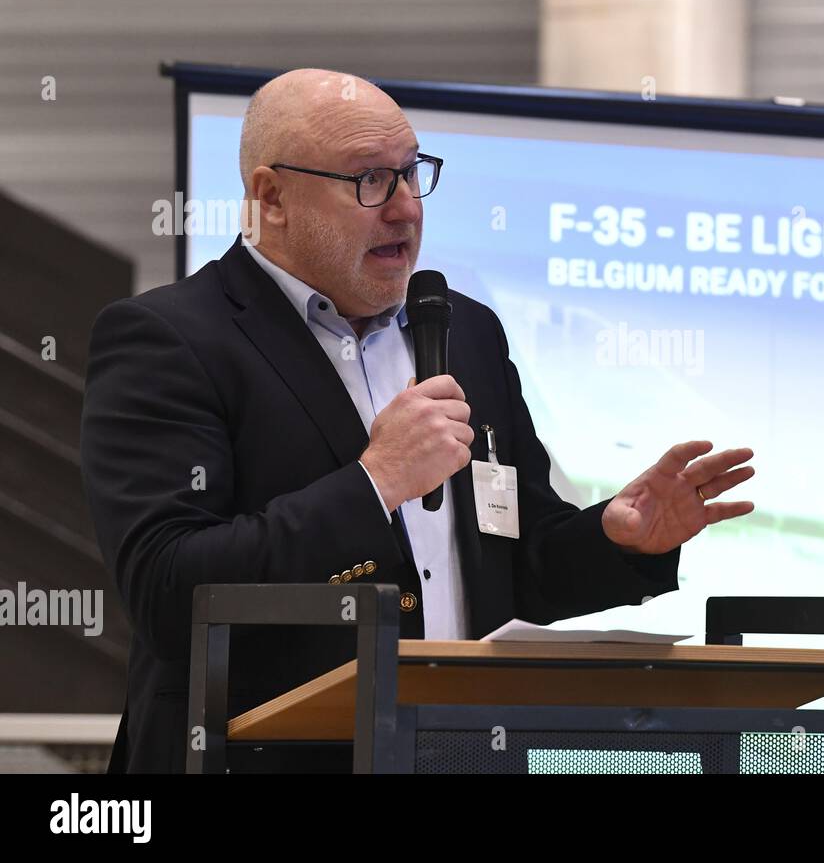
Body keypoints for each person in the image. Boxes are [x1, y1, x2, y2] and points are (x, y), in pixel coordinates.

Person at [80, 68, 755, 773]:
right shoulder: (170, 339)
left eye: (412, 174)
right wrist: (373, 483)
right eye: (370, 180)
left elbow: (514, 566)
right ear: (271, 198)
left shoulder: (467, 333)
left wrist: (619, 537)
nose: (405, 208)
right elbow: (167, 590)